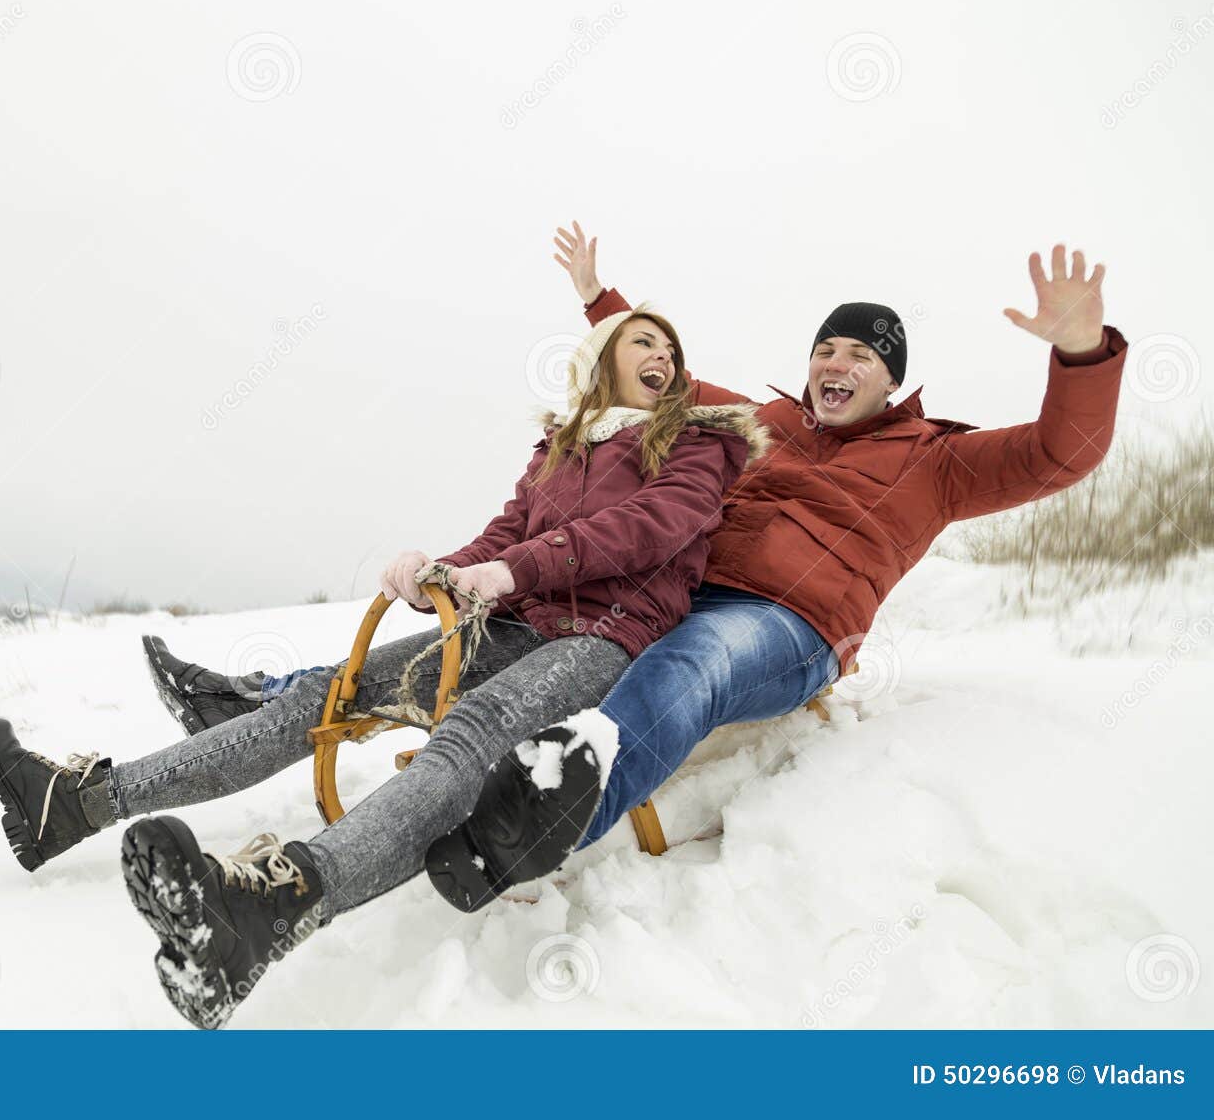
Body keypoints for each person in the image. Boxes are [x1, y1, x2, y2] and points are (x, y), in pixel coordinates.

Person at [149, 223, 1129, 912]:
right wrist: (595, 298)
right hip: (658, 590)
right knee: (487, 630)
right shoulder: (764, 422)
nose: (833, 363)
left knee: (689, 664)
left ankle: (532, 818)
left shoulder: (938, 459)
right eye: (823, 348)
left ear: (890, 372)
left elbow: (1059, 453)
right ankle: (272, 698)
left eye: (855, 354)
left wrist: (1080, 351)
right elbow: (652, 373)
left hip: (776, 625)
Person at [0, 303, 767, 1028]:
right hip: (512, 621)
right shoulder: (561, 446)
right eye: (644, 341)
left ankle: (270, 911)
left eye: (671, 347)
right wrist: (440, 573)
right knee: (325, 694)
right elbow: (506, 532)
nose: (663, 355)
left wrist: (513, 571)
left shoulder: (700, 441)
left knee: (469, 734)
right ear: (602, 358)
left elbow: (652, 527)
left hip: (604, 636)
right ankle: (76, 802)